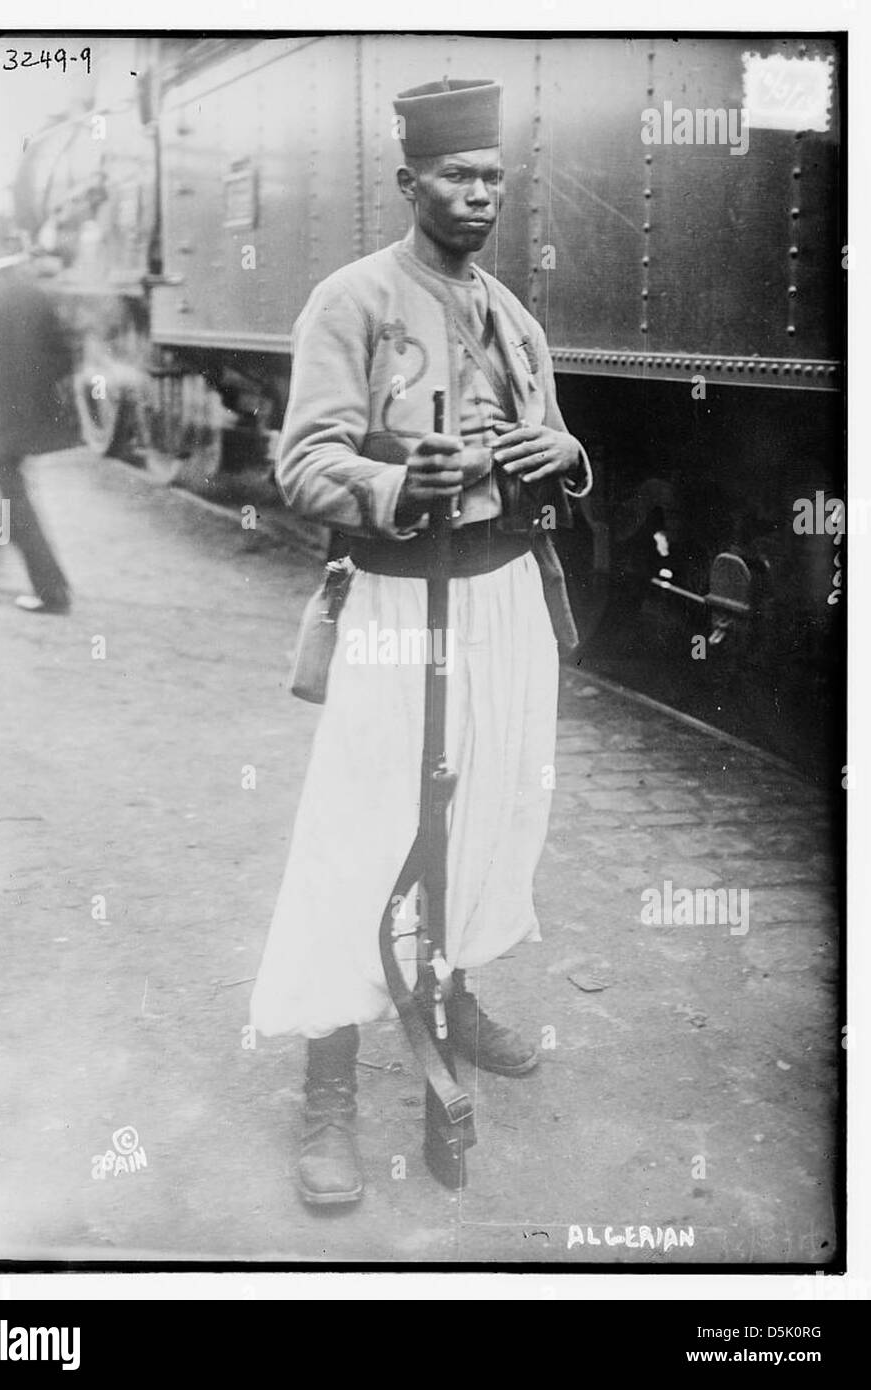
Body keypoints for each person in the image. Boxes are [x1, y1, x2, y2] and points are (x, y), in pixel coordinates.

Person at [249, 78, 591, 1206]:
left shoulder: (510, 310)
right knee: (364, 833)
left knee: (490, 813)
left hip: (505, 602)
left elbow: (549, 438)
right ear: (409, 182)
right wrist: (402, 481)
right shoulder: (351, 300)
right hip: (402, 605)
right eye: (455, 174)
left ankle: (449, 993)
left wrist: (564, 458)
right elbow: (302, 465)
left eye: (493, 174)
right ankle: (331, 1089)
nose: (479, 193)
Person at [0, 213, 74, 614]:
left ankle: (52, 593)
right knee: (9, 492)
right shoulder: (35, 294)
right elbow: (63, 358)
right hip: (28, 420)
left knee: (14, 503)